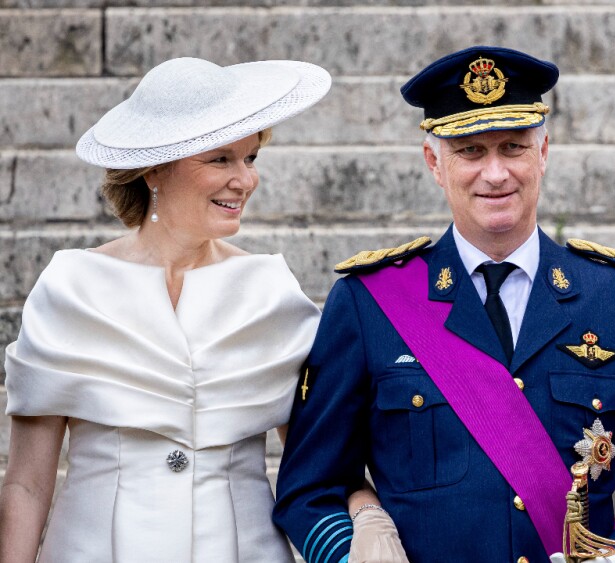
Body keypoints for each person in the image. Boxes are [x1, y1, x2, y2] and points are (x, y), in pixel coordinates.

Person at [272, 45, 615, 563]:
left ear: (543, 153)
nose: (495, 173)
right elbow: (309, 488)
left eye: (513, 147)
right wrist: (353, 556)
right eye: (471, 151)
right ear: (434, 163)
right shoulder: (369, 303)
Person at [0, 56, 399, 563]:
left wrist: (368, 514)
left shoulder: (269, 289)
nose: (245, 180)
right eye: (220, 159)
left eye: (250, 158)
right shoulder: (72, 286)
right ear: (155, 169)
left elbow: (320, 463)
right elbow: (27, 485)